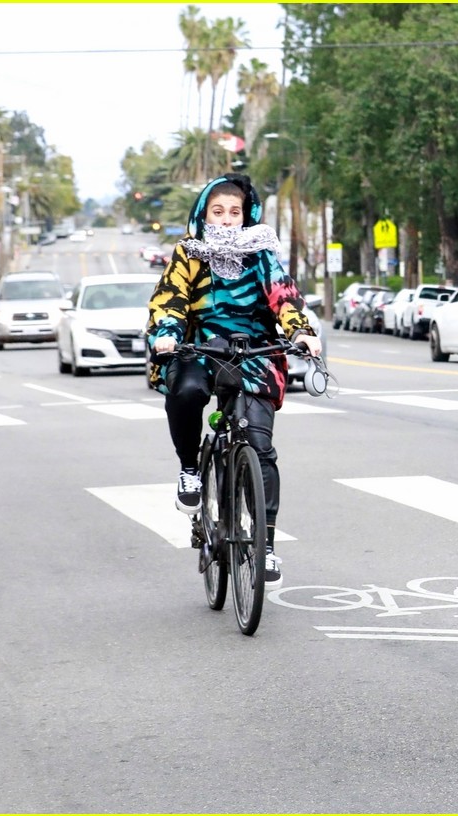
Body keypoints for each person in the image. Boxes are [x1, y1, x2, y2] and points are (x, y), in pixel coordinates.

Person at [146, 173, 321, 588]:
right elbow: (169, 299)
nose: (226, 220)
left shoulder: (261, 252)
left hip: (253, 349)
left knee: (260, 448)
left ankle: (267, 547)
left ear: (247, 217)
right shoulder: (189, 252)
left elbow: (285, 296)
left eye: (234, 213)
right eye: (218, 212)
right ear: (204, 214)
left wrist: (300, 331)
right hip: (200, 347)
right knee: (186, 391)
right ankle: (190, 469)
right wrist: (168, 333)